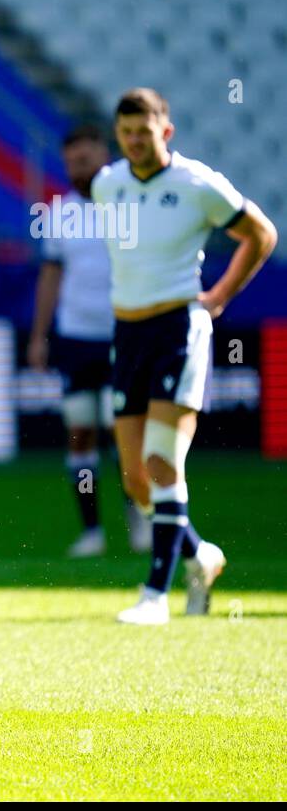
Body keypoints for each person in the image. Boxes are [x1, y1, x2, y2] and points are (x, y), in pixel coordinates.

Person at [94, 89, 277, 624]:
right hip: (127, 333)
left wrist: (218, 297)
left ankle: (155, 594)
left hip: (179, 327)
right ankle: (200, 554)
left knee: (161, 461)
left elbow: (261, 233)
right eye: (125, 132)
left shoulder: (198, 184)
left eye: (143, 132)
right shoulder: (108, 184)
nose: (133, 141)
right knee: (134, 478)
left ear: (165, 132)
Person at [28, 125, 150, 557]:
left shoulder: (130, 204)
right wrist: (40, 335)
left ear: (104, 154)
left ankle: (139, 520)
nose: (77, 168)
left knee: (126, 434)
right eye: (71, 162)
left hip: (125, 335)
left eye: (84, 159)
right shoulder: (59, 214)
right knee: (80, 433)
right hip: (76, 339)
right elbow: (51, 275)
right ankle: (92, 531)